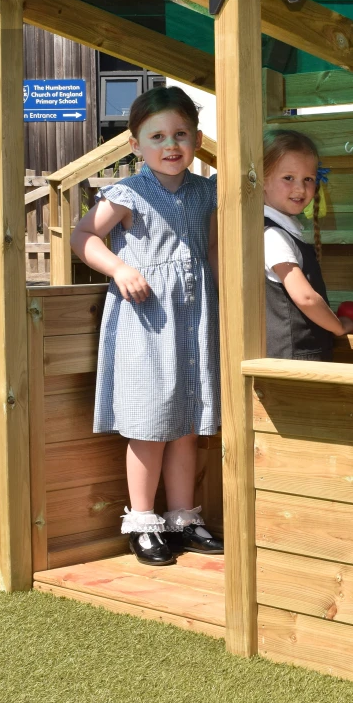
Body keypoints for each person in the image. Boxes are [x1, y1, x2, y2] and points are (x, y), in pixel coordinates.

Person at [70, 86, 223, 567]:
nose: (170, 144)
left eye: (180, 134)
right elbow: (83, 234)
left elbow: (214, 249)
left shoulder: (207, 191)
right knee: (150, 424)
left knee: (187, 425)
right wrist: (118, 268)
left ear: (196, 139)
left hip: (195, 320)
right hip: (148, 323)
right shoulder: (129, 193)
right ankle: (142, 520)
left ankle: (182, 517)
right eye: (157, 136)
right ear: (135, 144)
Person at [263, 129, 353, 359]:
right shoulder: (273, 235)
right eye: (288, 178)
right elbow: (304, 297)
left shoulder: (283, 229)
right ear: (262, 180)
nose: (300, 188)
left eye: (308, 179)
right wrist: (338, 326)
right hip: (295, 359)